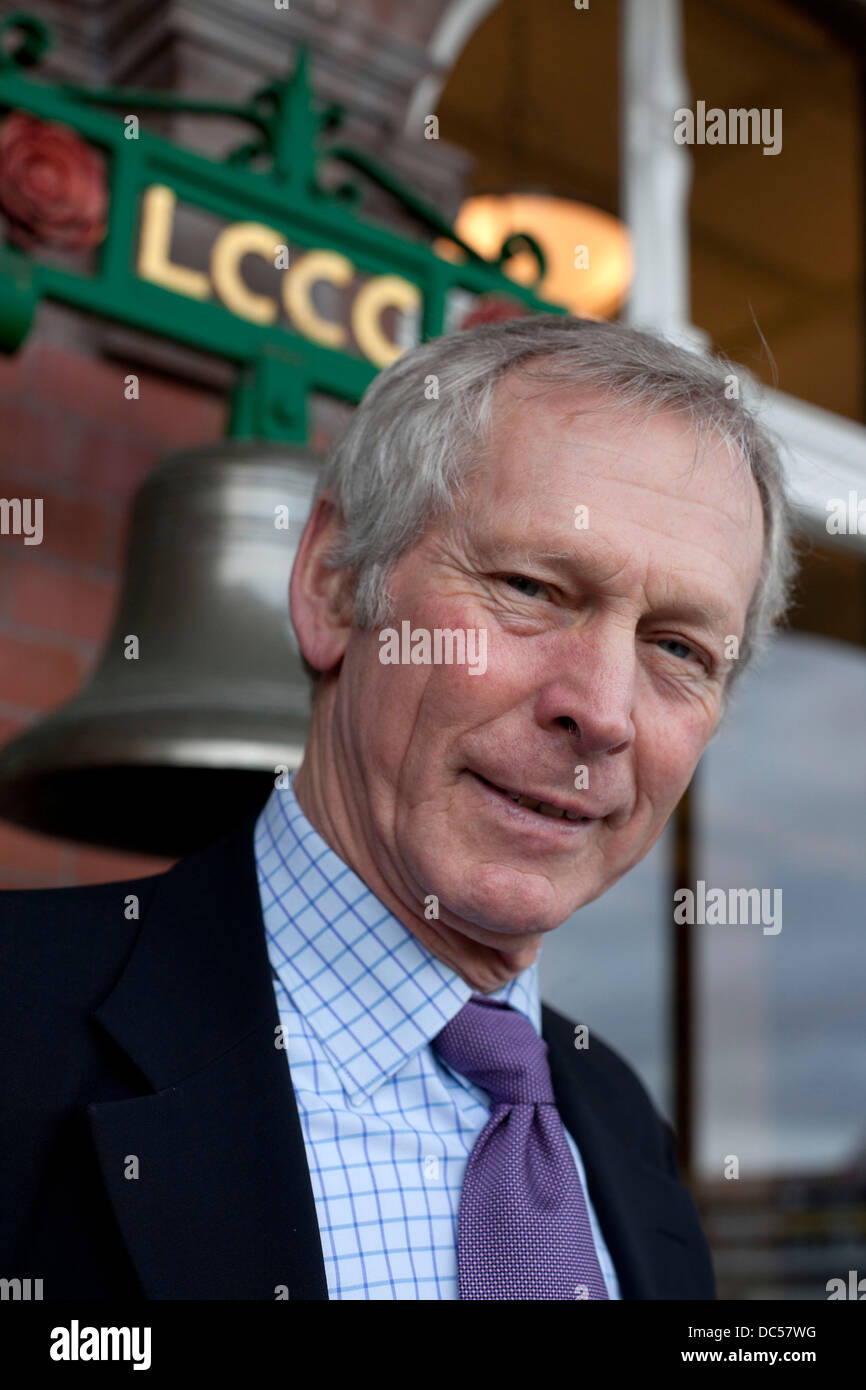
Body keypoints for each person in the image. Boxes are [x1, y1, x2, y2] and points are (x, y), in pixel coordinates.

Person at [0, 315, 796, 1300]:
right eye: (530, 586)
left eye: (677, 648)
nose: (600, 711)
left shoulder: (627, 1128)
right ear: (335, 584)